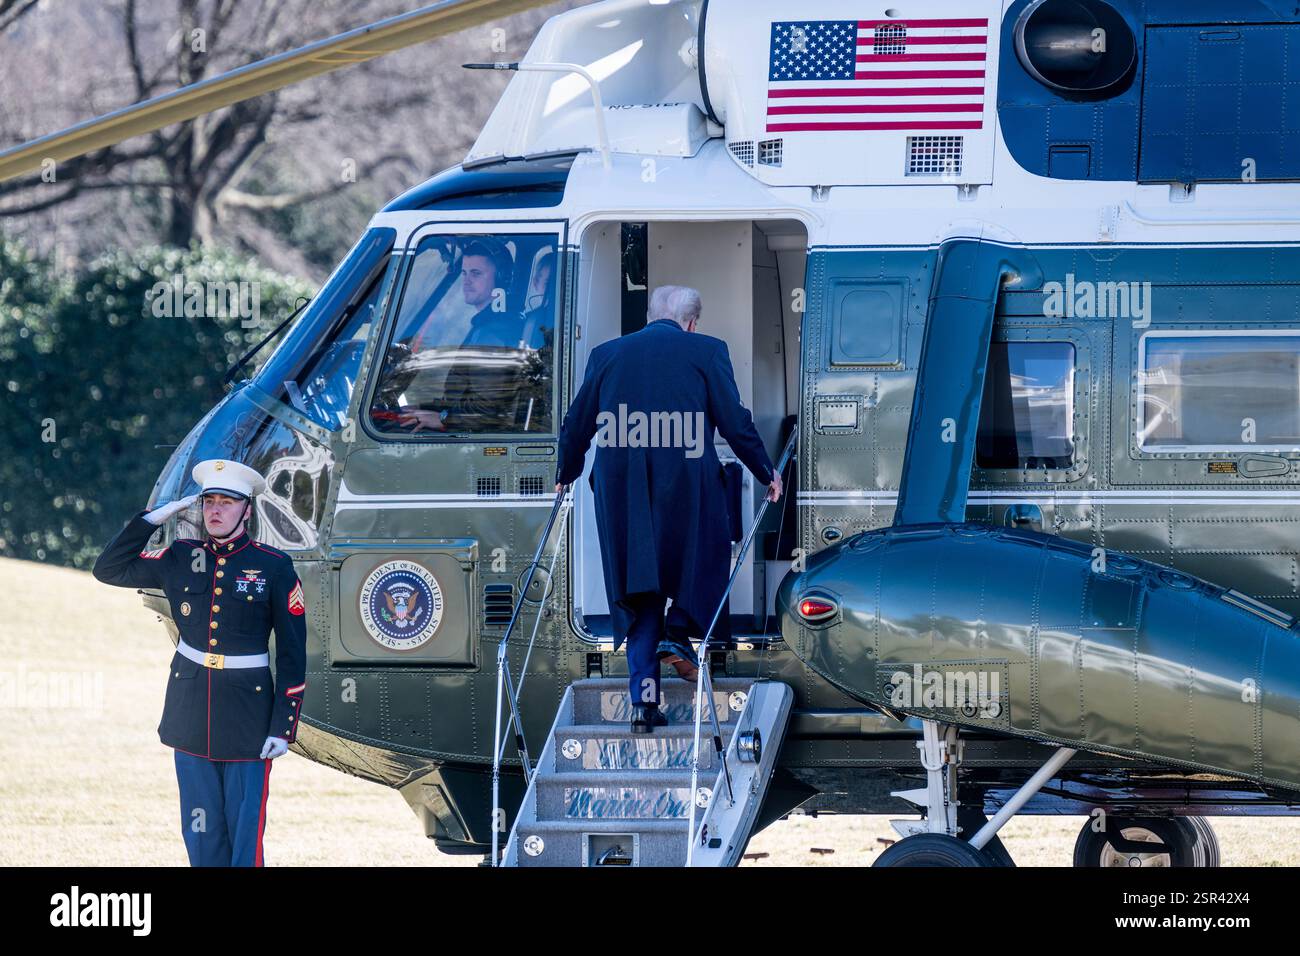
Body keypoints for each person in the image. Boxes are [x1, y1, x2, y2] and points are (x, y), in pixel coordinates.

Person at [555, 285, 781, 733]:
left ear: (650, 314)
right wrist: (765, 471)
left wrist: (567, 470)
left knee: (641, 592)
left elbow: (577, 421)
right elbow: (735, 421)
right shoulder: (707, 351)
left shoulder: (606, 354)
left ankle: (643, 704)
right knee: (707, 556)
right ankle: (677, 632)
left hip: (623, 491)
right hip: (687, 483)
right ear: (692, 321)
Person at [92, 459, 307, 866]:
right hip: (190, 712)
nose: (216, 510)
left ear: (246, 510)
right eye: (210, 501)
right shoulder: (179, 556)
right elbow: (108, 569)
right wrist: (154, 518)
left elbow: (295, 654)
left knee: (244, 835)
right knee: (201, 832)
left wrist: (284, 727)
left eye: (227, 502)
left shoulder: (273, 567)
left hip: (249, 716)